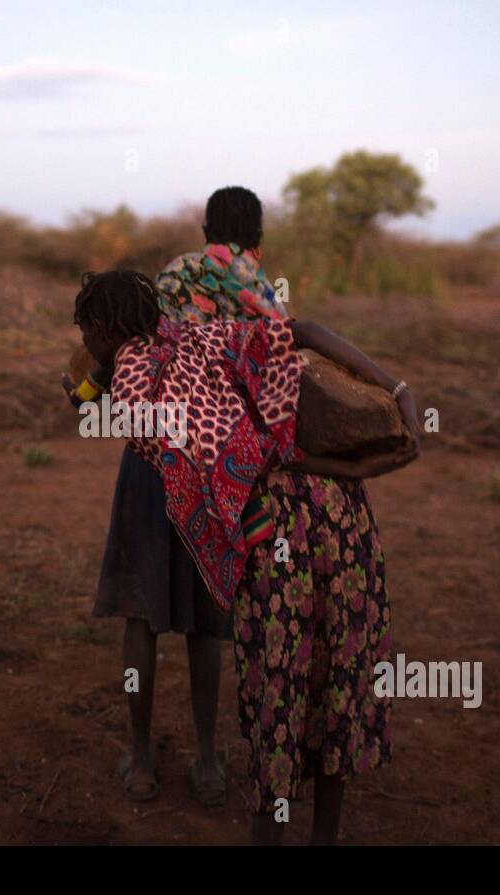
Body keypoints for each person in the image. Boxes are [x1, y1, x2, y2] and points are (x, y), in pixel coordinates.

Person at [72, 268, 418, 845]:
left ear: (105, 330)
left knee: (276, 695)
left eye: (86, 332)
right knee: (338, 675)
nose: (83, 346)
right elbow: (301, 330)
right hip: (343, 520)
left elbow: (236, 467)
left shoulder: (135, 383)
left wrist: (337, 466)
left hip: (273, 536)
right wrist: (396, 393)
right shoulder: (196, 333)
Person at [66, 187, 284, 806]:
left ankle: (139, 761)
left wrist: (86, 391)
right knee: (206, 617)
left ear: (205, 227)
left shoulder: (173, 274)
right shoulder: (261, 292)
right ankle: (209, 761)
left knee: (141, 612)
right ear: (257, 236)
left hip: (151, 463)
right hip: (217, 472)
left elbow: (123, 350)